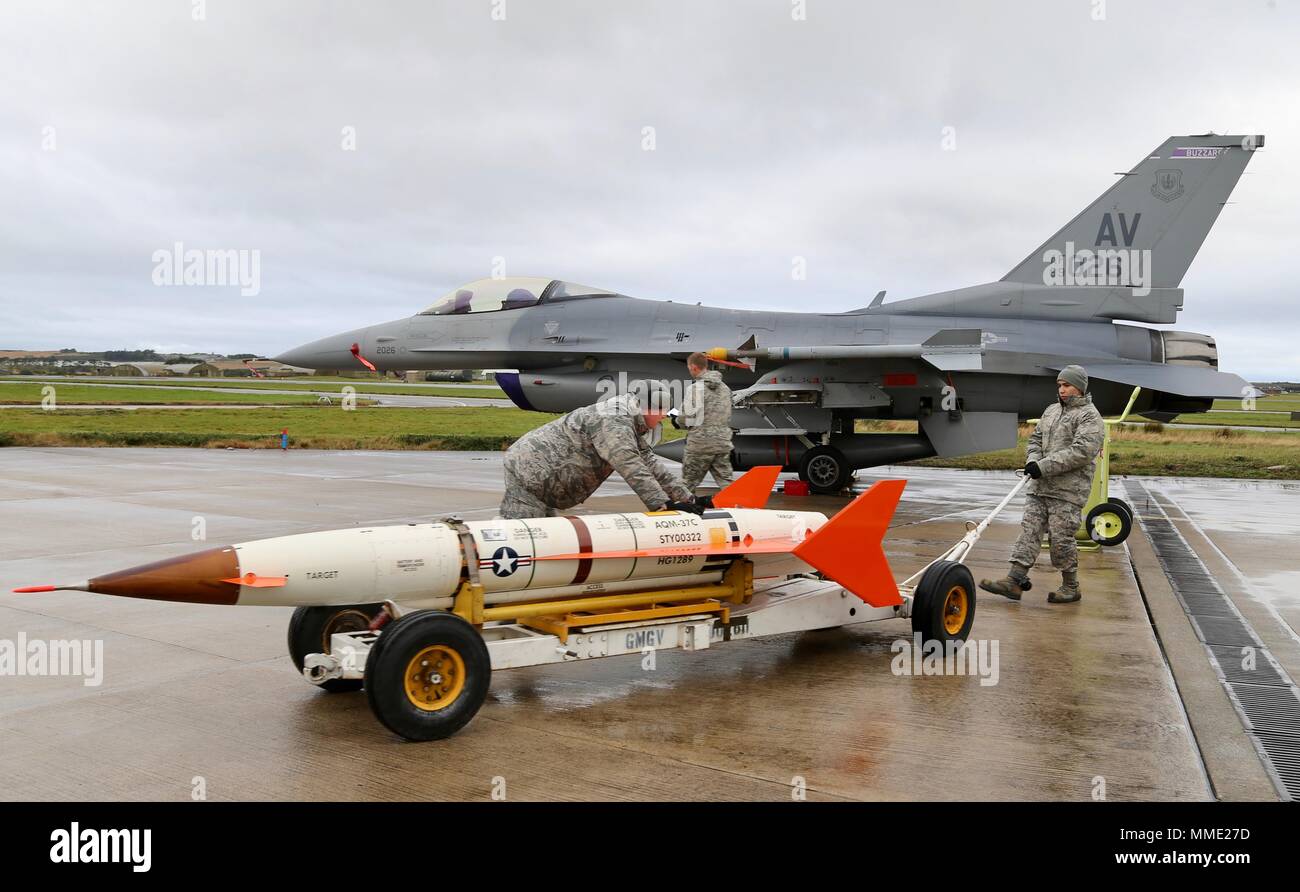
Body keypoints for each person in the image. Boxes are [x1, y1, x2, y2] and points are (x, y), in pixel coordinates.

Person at [979, 364, 1104, 604]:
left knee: (1061, 539)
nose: (1062, 389)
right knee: (1029, 531)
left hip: (1068, 491)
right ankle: (1014, 581)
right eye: (1059, 385)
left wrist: (1043, 466)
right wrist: (1033, 460)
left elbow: (1082, 451)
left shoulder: (1090, 416)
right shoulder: (1051, 411)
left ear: (1080, 387)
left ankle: (1071, 586)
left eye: (1067, 385)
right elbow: (1035, 439)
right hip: (1039, 486)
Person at [498, 379, 701, 519]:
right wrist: (661, 505)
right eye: (663, 412)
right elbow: (629, 464)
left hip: (543, 480)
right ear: (649, 408)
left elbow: (651, 464)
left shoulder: (631, 421)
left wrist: (688, 499)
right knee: (523, 541)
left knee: (543, 540)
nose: (664, 417)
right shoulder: (614, 418)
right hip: (530, 473)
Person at [674, 352, 734, 493]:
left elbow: (685, 417)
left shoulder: (695, 388)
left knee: (687, 484)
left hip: (700, 444)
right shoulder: (725, 389)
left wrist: (677, 422)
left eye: (689, 368)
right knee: (727, 483)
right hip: (722, 443)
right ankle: (738, 508)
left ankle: (683, 512)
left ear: (694, 367)